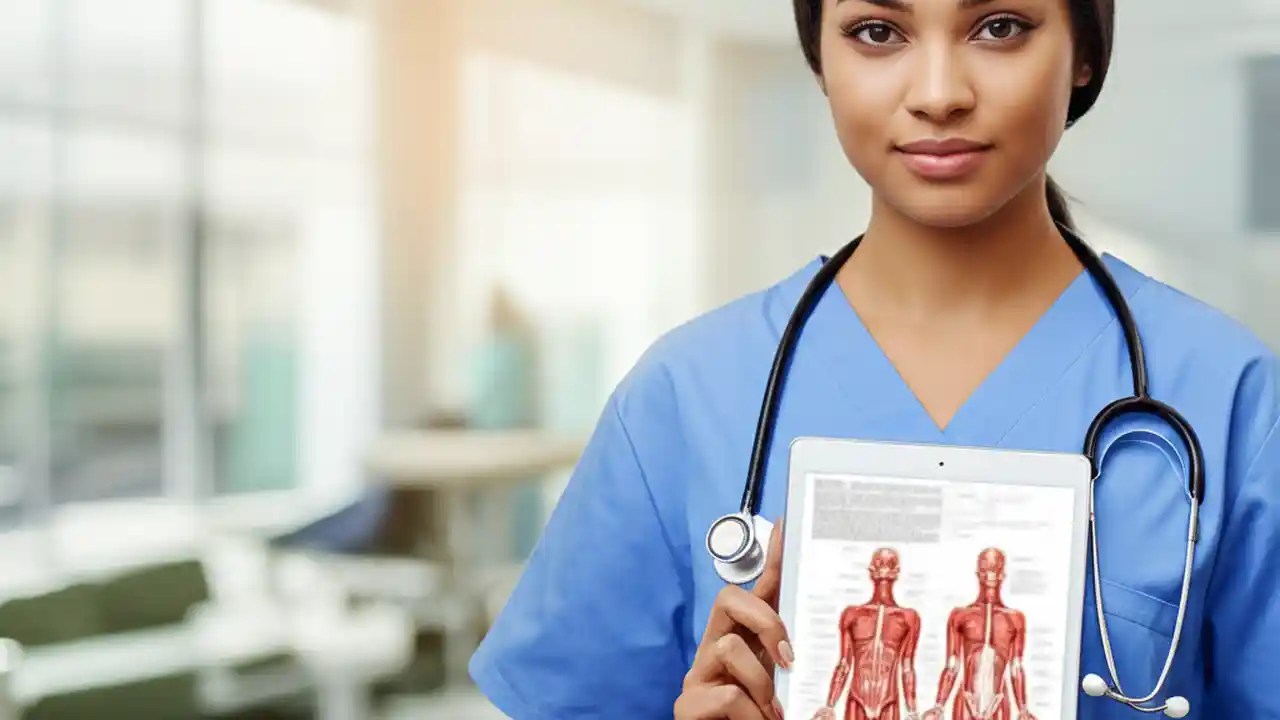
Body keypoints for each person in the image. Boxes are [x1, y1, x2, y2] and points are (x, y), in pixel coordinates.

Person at [468, 0, 1280, 717]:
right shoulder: (685, 395)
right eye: (876, 31)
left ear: (1086, 52)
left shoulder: (1229, 396)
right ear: (821, 58)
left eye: (999, 28)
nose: (937, 93)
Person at [921, 549, 1033, 720]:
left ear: (1002, 574)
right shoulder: (960, 615)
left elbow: (1016, 668)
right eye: (986, 568)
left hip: (998, 701)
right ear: (978, 573)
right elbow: (952, 664)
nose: (990, 574)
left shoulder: (1015, 619)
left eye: (995, 568)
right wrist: (939, 705)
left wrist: (1023, 709)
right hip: (966, 700)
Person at [812, 548, 922, 720]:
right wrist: (830, 705)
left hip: (889, 701)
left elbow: (907, 667)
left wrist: (912, 711)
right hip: (857, 700)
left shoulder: (908, 617)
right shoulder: (852, 614)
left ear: (896, 571)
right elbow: (844, 663)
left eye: (889, 564)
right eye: (880, 563)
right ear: (871, 569)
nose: (884, 569)